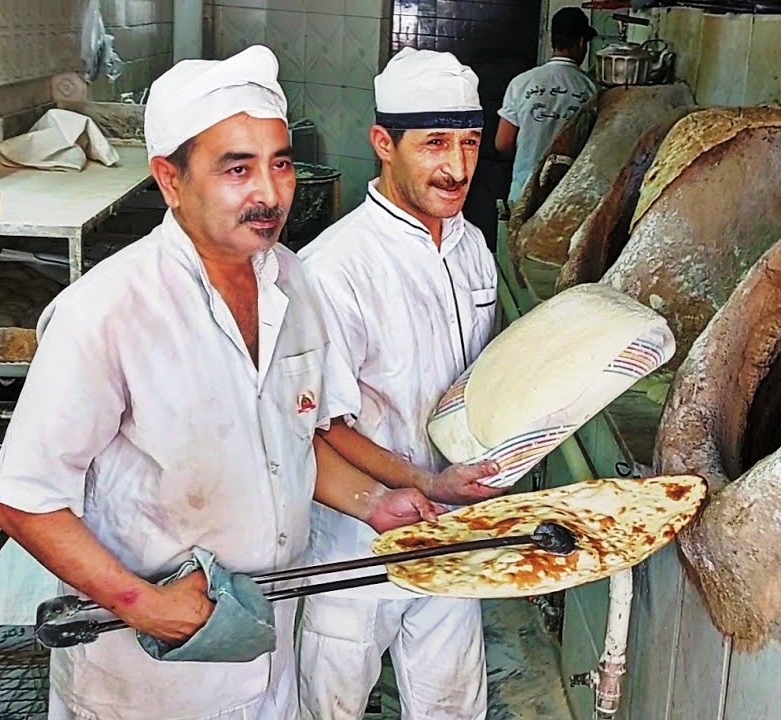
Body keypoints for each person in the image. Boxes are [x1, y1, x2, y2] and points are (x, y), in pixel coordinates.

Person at [0, 46, 438, 720]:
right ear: (170, 179)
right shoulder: (107, 312)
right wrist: (144, 604)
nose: (269, 193)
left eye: (279, 163)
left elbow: (287, 440)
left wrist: (374, 501)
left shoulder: (293, 283)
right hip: (147, 681)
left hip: (264, 653)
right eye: (236, 168)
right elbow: (23, 499)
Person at [295, 47, 507, 719]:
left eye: (470, 143)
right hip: (356, 546)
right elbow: (325, 424)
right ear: (384, 144)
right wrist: (422, 481)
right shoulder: (334, 268)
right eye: (435, 143)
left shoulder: (472, 246)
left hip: (452, 534)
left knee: (452, 706)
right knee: (331, 706)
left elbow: (485, 380)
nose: (458, 167)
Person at [496, 7, 600, 205]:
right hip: (567, 198)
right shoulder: (591, 89)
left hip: (524, 192)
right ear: (581, 43)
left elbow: (503, 143)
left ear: (553, 41)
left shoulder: (521, 82)